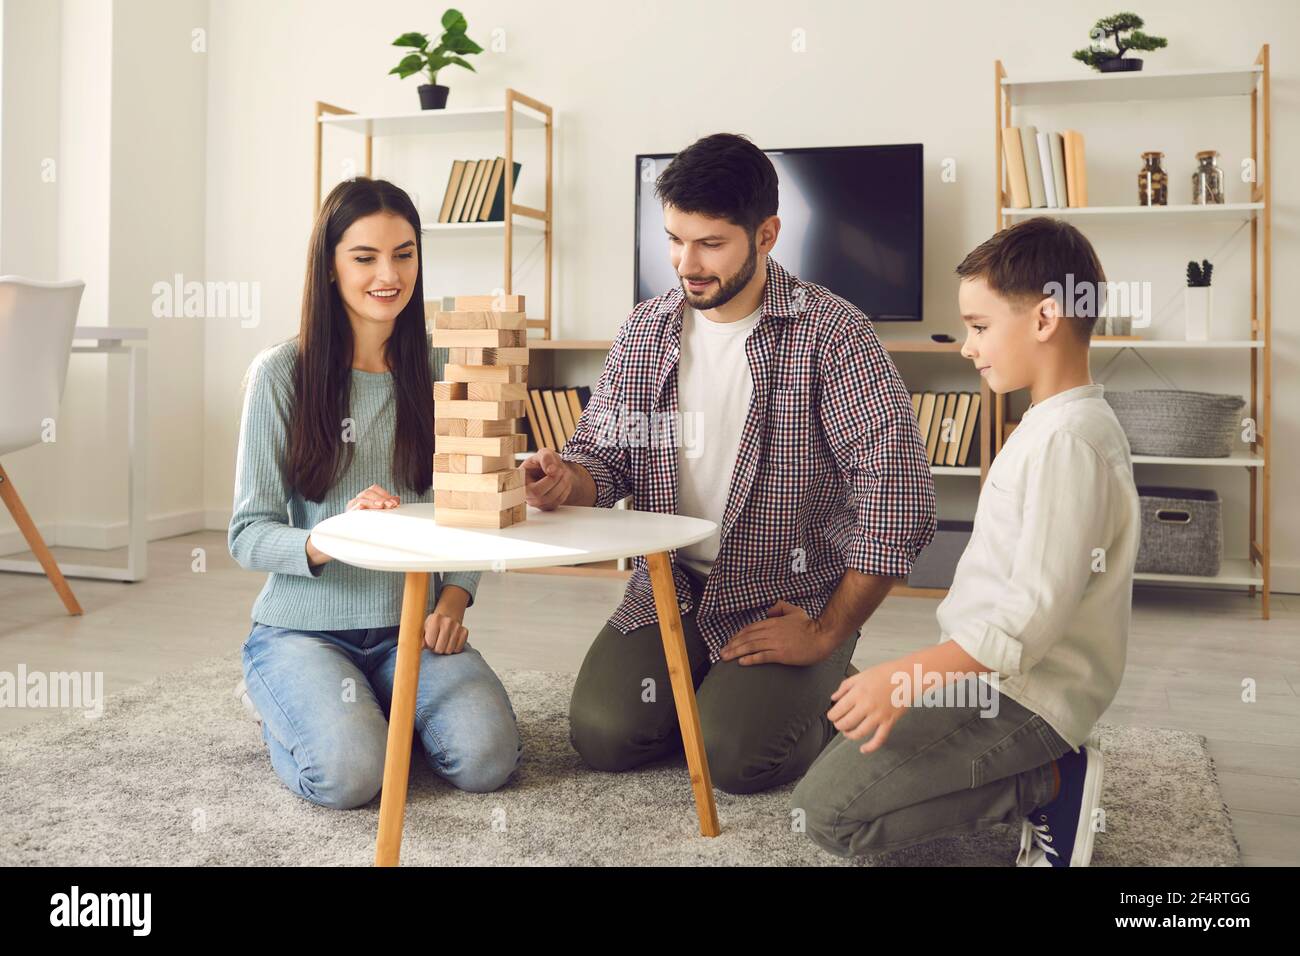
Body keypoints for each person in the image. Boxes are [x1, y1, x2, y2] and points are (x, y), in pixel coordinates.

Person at [522, 133, 936, 795]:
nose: (687, 264)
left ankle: (812, 693)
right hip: (672, 589)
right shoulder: (644, 329)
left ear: (766, 234)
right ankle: (726, 689)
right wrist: (562, 481)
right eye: (674, 240)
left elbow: (901, 500)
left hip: (786, 597)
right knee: (604, 737)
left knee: (735, 760)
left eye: (710, 243)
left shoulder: (835, 334)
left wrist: (828, 632)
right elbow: (602, 457)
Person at [791, 216, 1140, 867]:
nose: (966, 346)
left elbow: (1028, 622)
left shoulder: (1067, 441)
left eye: (979, 327)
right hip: (991, 677)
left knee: (828, 816)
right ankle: (1016, 773)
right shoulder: (1052, 423)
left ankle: (1048, 784)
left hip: (1026, 696)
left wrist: (907, 676)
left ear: (1044, 319)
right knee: (841, 742)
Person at [229, 177, 522, 810]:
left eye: (404, 253)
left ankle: (372, 705)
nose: (388, 274)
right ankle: (280, 699)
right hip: (302, 630)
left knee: (487, 758)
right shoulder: (281, 374)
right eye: (364, 257)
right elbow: (247, 534)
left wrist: (454, 596)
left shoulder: (443, 372)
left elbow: (467, 505)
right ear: (330, 266)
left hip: (408, 625)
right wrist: (336, 533)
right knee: (351, 777)